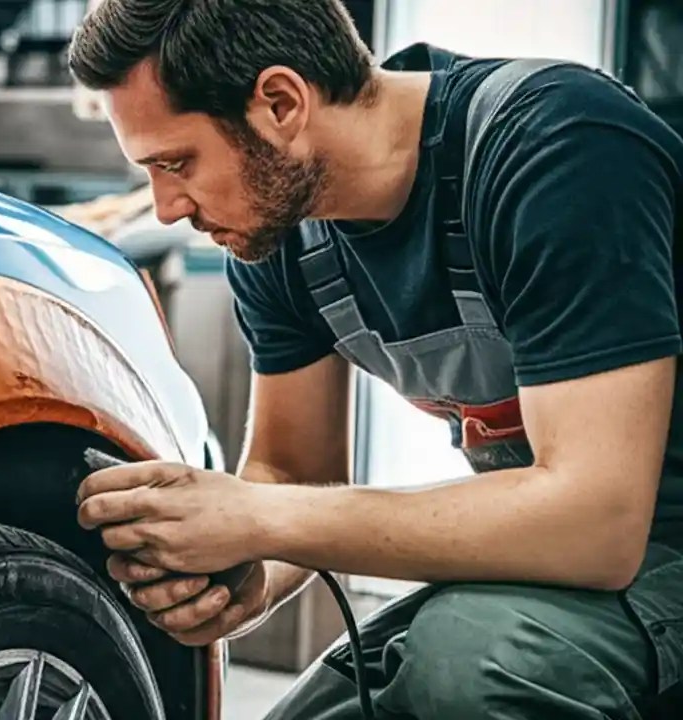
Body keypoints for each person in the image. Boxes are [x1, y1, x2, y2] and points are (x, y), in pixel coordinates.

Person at [66, 1, 683, 717]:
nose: (167, 207)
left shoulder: (555, 150)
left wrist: (258, 517)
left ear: (280, 102)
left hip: (637, 546)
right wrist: (251, 572)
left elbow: (594, 523)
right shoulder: (283, 237)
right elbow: (294, 474)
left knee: (469, 667)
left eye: (177, 162)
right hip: (573, 569)